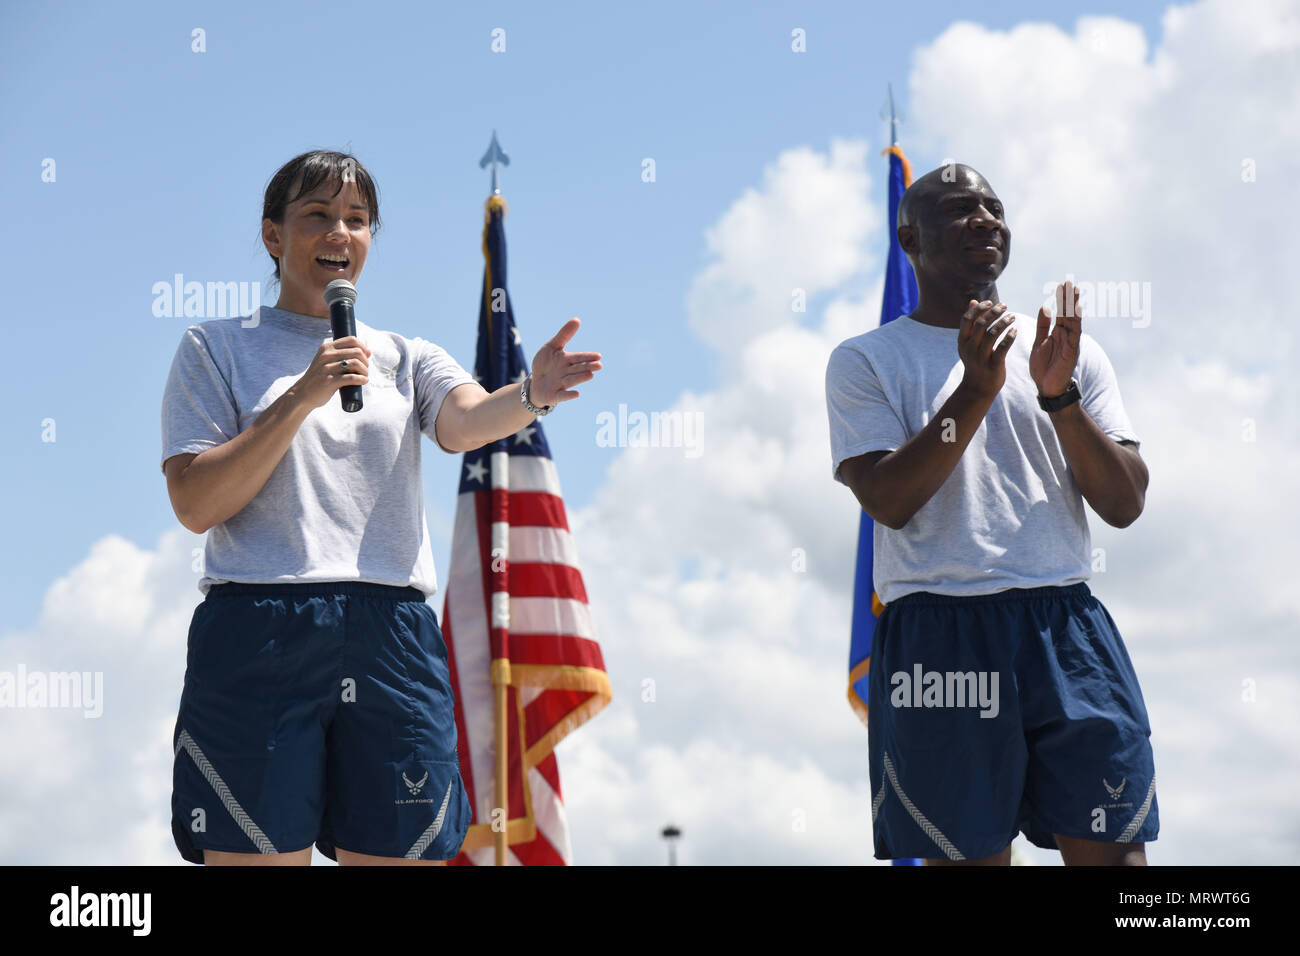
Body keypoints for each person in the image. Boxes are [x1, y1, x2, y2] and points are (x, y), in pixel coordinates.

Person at [160, 150, 602, 865]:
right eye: (318, 216)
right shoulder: (214, 348)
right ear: (273, 236)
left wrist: (531, 394)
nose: (341, 232)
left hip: (390, 632)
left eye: (357, 220)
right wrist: (303, 396)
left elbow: (463, 424)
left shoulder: (404, 355)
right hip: (260, 628)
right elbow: (195, 501)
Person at [824, 163, 1157, 866]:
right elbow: (888, 498)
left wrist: (1060, 398)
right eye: (958, 209)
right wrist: (977, 388)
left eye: (993, 207)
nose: (984, 220)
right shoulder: (865, 361)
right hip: (939, 633)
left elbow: (1124, 504)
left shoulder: (1069, 351)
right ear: (909, 237)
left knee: (1119, 861)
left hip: (1066, 625)